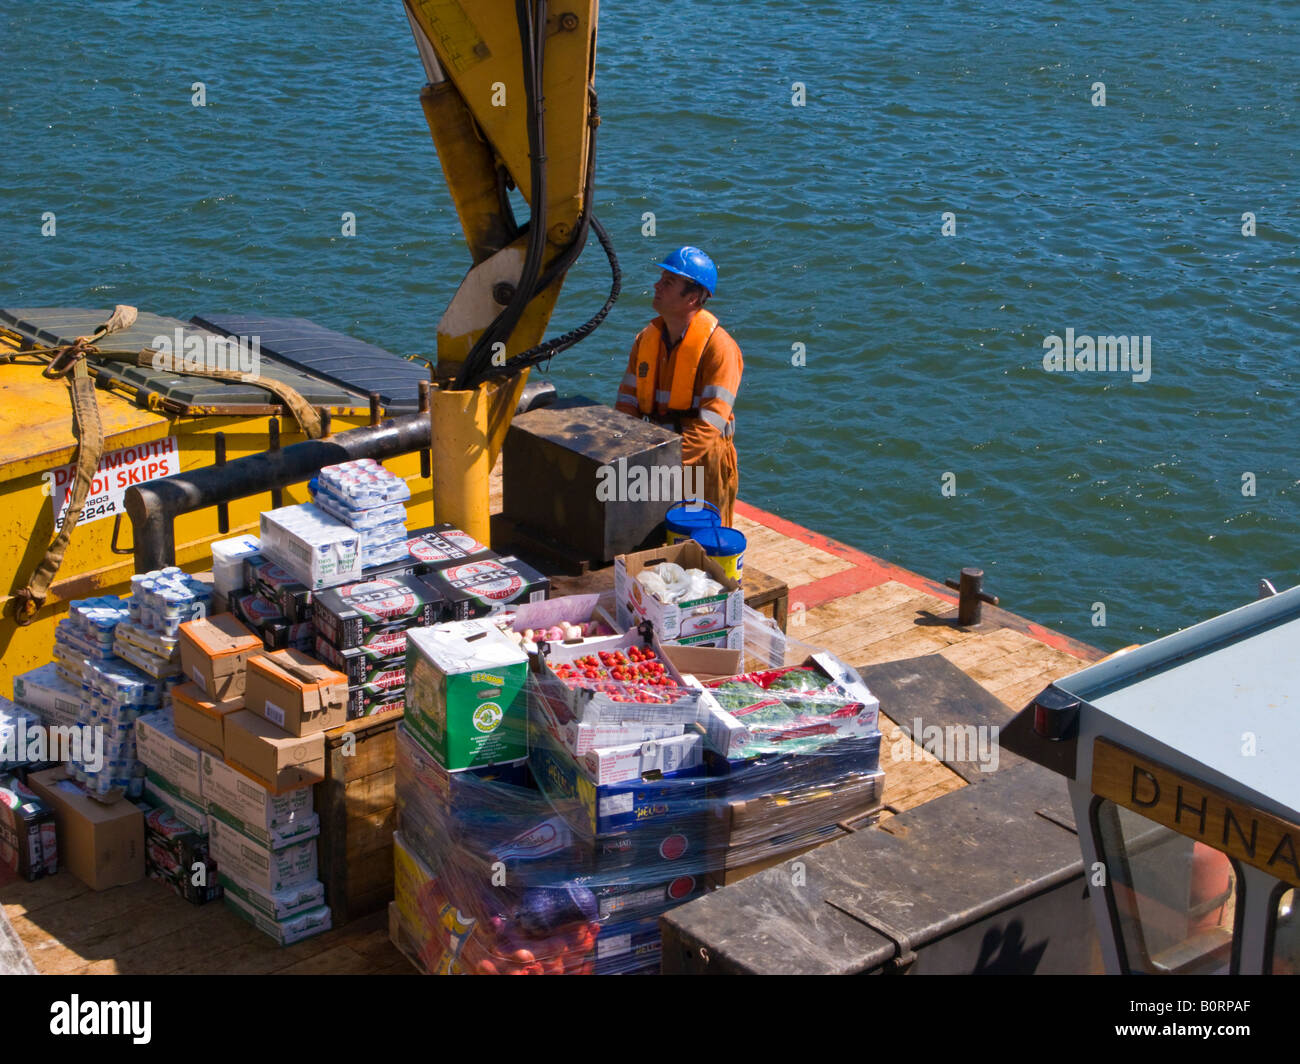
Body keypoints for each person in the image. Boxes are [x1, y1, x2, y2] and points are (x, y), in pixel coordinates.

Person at [614, 246, 743, 526]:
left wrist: (662, 465)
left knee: (702, 543)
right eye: (662, 278)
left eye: (668, 282)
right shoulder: (645, 341)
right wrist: (629, 454)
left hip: (702, 465)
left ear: (693, 298)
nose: (656, 285)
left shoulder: (720, 350)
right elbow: (627, 404)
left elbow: (709, 426)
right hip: (656, 452)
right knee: (651, 534)